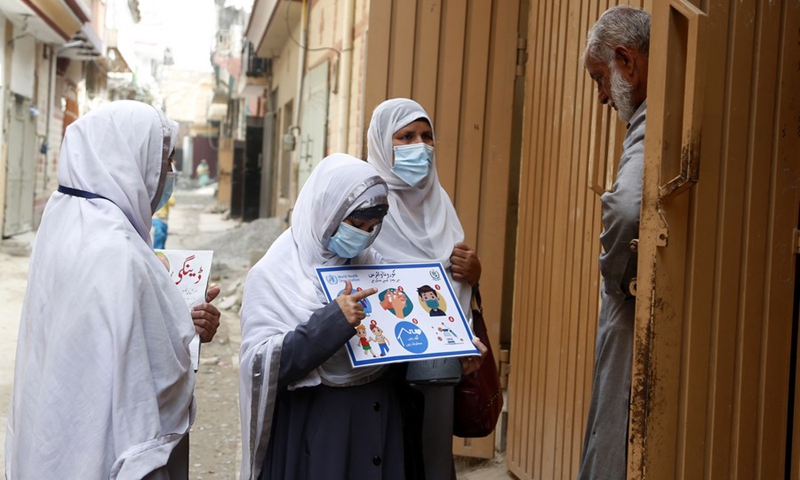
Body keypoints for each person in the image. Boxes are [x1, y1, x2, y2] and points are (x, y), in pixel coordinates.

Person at [5, 100, 221, 479]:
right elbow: (153, 382)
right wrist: (180, 331)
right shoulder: (119, 252)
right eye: (164, 160)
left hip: (56, 438)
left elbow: (111, 339)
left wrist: (181, 319)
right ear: (129, 158)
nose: (169, 173)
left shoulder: (63, 222)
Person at [238, 153, 420, 480]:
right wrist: (331, 323)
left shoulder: (373, 266)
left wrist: (450, 351)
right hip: (318, 436)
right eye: (356, 225)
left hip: (377, 427)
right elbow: (259, 366)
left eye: (372, 227)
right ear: (326, 211)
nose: (364, 236)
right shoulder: (273, 276)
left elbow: (401, 339)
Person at [366, 98, 487, 479]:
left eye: (426, 136)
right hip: (378, 368)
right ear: (383, 143)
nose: (420, 144)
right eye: (406, 136)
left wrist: (472, 273)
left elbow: (453, 284)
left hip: (435, 367)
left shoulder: (440, 203)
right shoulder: (365, 201)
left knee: (431, 460)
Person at [578, 6, 650, 480]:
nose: (603, 97)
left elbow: (625, 210)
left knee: (615, 434)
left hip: (633, 313)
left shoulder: (653, 120)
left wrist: (616, 280)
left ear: (626, 60)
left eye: (602, 79)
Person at [152, 159, 176, 249]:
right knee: (159, 234)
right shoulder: (155, 189)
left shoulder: (168, 191)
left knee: (163, 236)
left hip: (164, 218)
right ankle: (157, 253)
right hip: (156, 217)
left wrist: (166, 194)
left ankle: (162, 253)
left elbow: (173, 202)